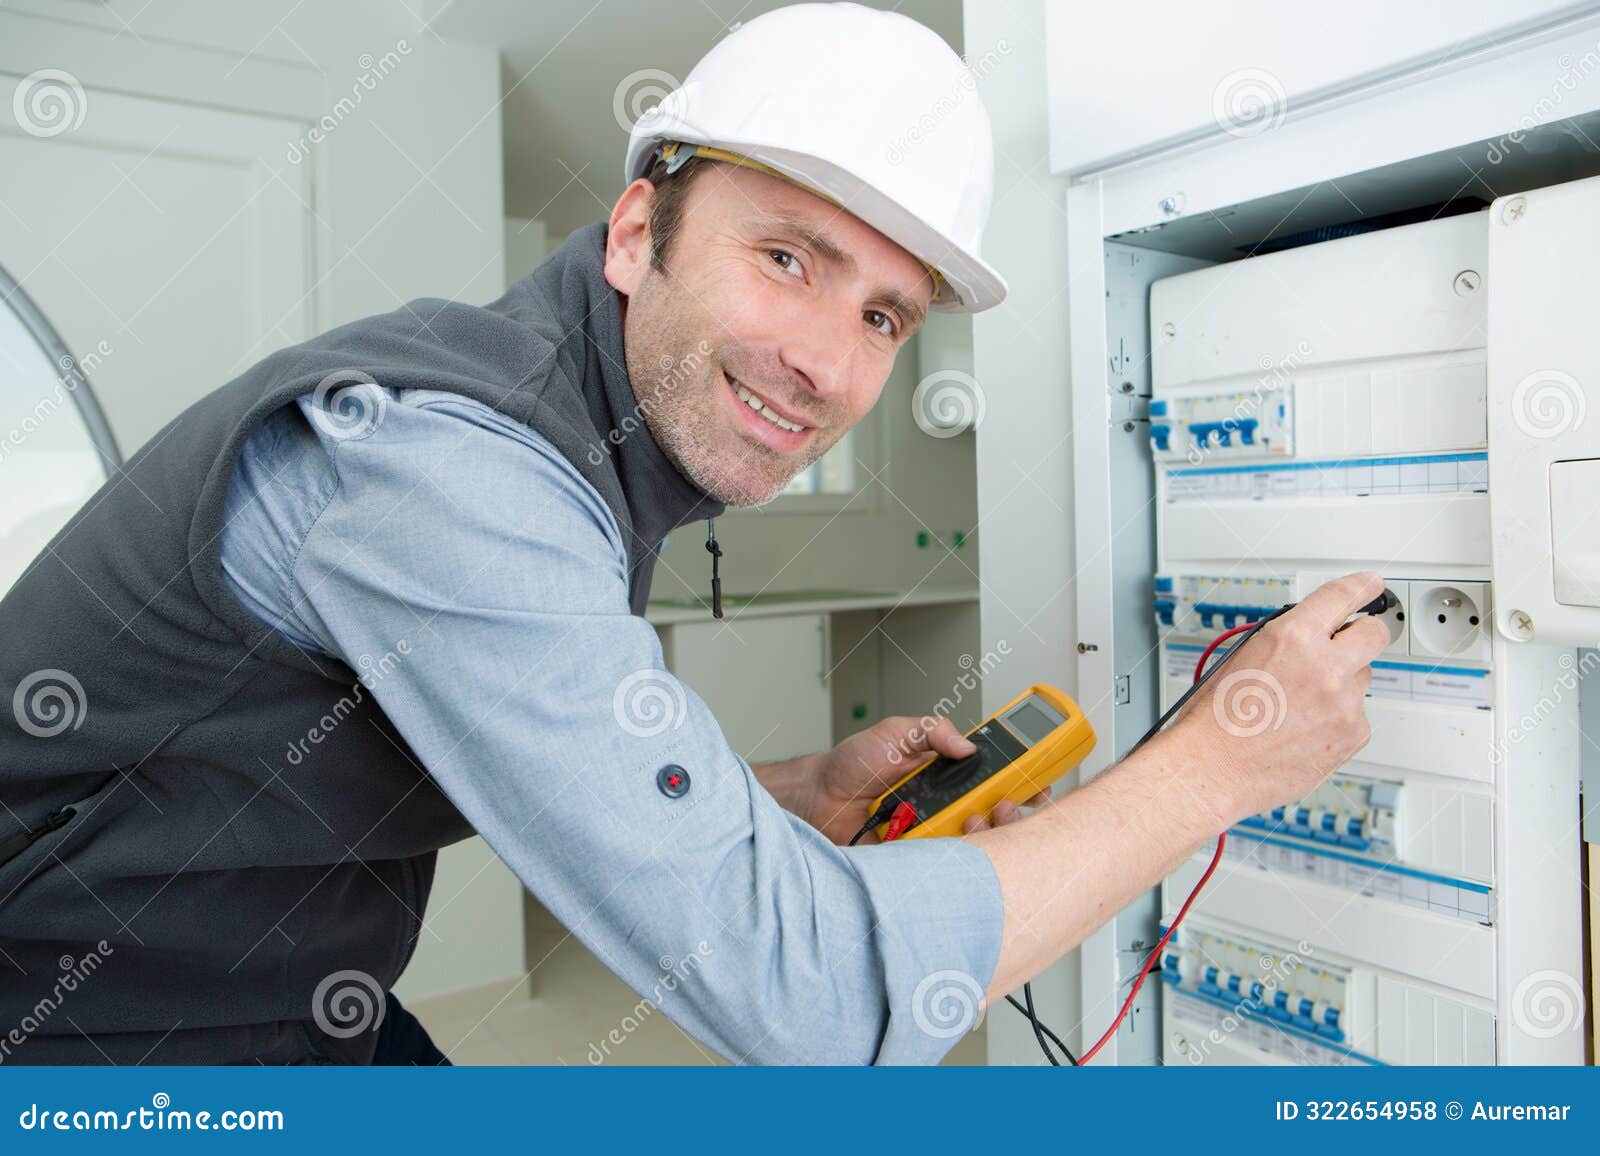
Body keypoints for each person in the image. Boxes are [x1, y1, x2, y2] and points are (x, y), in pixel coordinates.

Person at [0, 2, 1388, 1064]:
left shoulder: (589, 436)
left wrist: (782, 794)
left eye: (882, 318)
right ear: (630, 234)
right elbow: (804, 1003)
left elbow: (499, 740)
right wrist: (1222, 765)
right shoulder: (451, 472)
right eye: (787, 259)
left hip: (279, 1001)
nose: (827, 367)